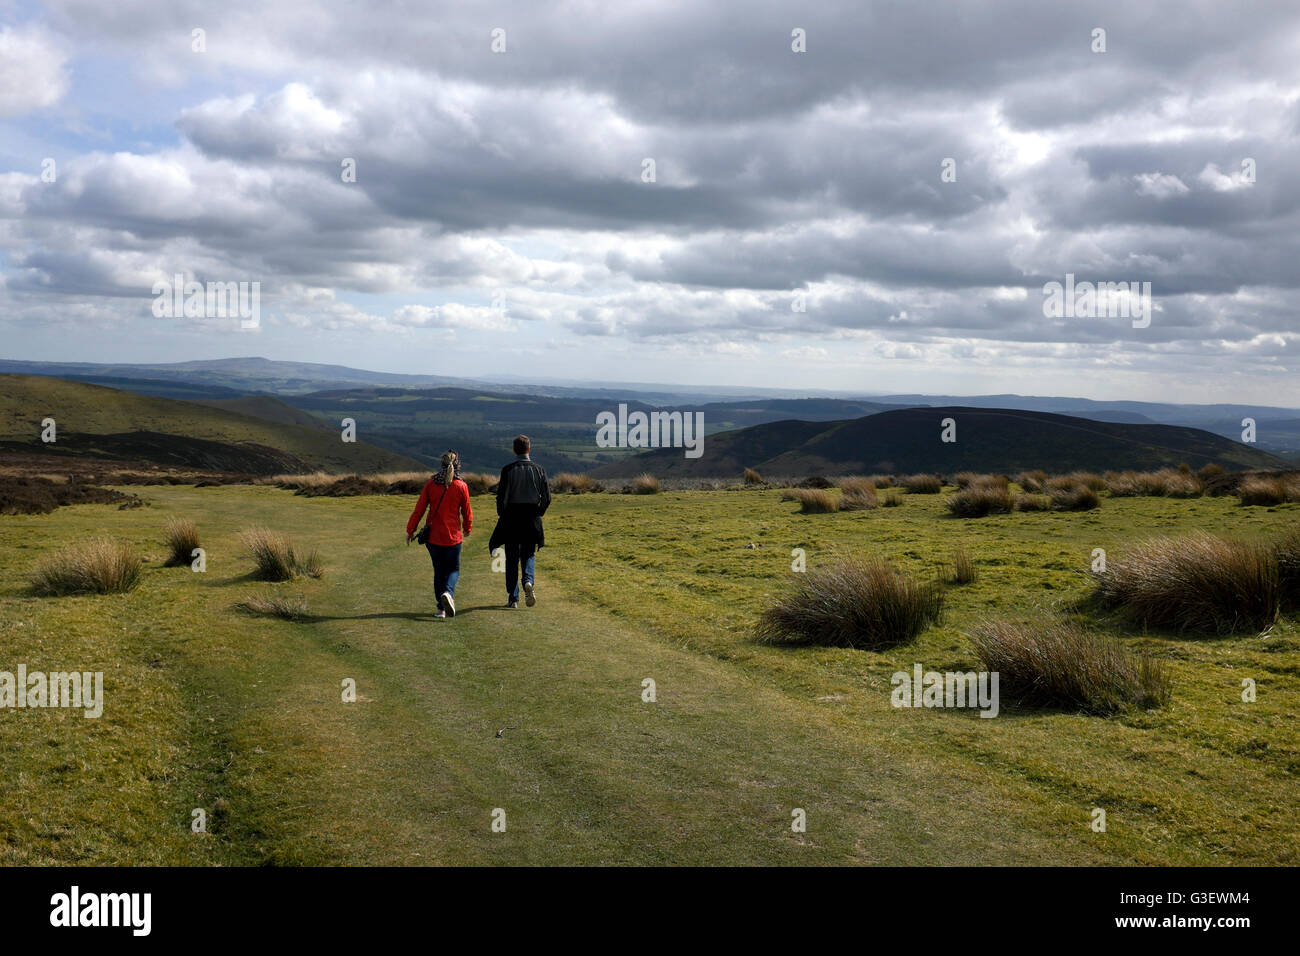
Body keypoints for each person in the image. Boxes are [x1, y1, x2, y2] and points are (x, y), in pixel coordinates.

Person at [406, 450, 472, 618]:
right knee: (453, 570)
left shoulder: (431, 483)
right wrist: (467, 528)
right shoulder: (461, 486)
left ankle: (440, 609)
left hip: (434, 537)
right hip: (453, 537)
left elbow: (419, 509)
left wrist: (410, 530)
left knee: (438, 571)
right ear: (458, 465)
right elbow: (466, 511)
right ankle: (448, 593)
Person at [488, 434, 550, 609]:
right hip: (532, 517)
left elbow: (501, 497)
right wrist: (539, 512)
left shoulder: (508, 470)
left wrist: (502, 514)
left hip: (512, 517)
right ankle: (528, 582)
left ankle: (513, 598)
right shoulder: (539, 469)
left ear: (515, 450)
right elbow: (547, 497)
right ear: (529, 449)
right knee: (529, 554)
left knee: (511, 558)